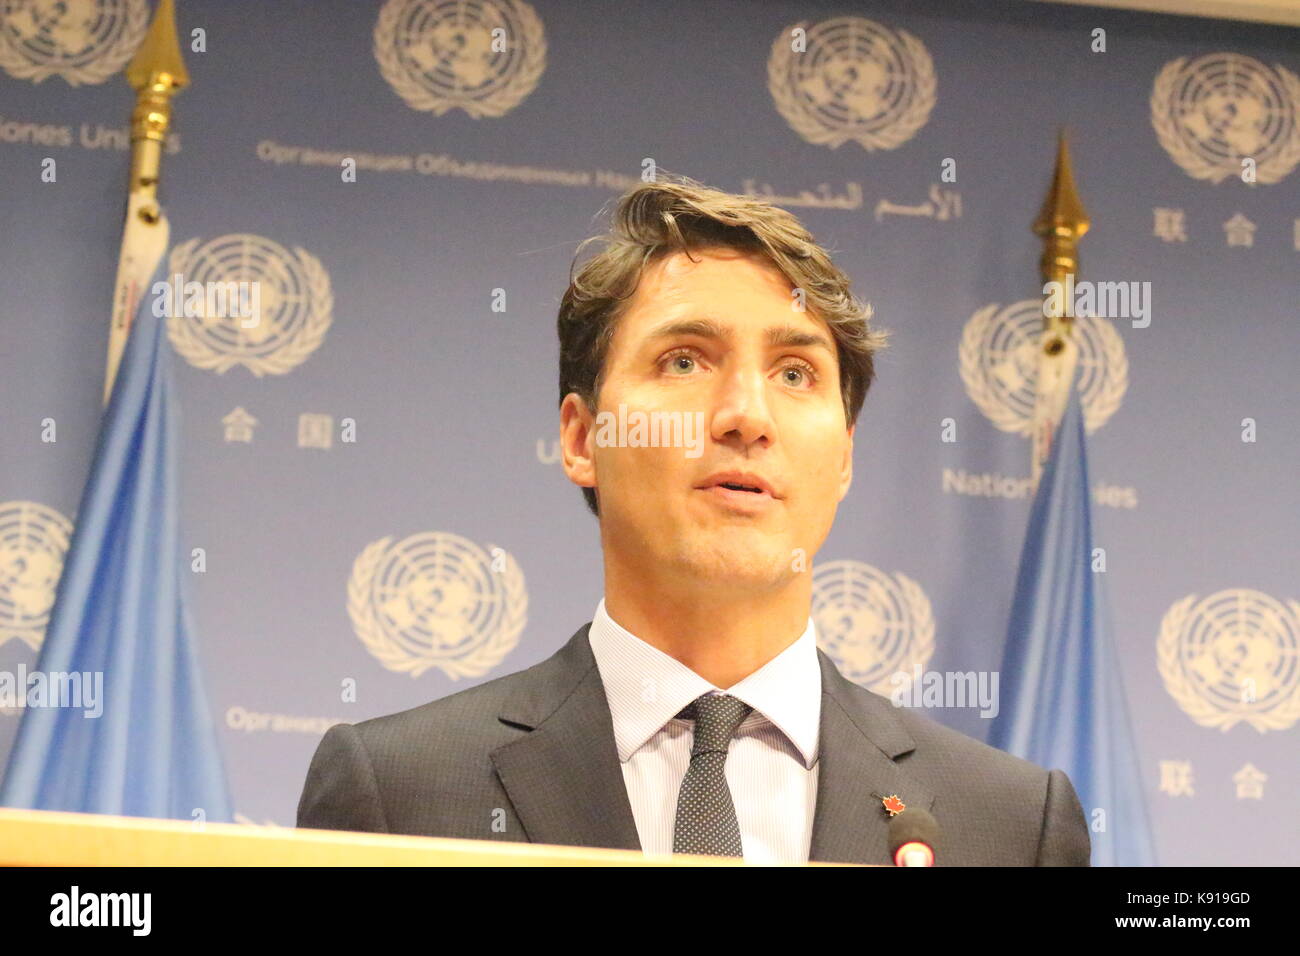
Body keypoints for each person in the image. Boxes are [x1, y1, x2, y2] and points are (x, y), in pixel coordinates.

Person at [296, 174, 1091, 865]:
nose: (747, 415)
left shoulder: (1011, 826)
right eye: (684, 360)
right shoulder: (398, 793)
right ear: (582, 438)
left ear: (844, 455)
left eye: (795, 372)